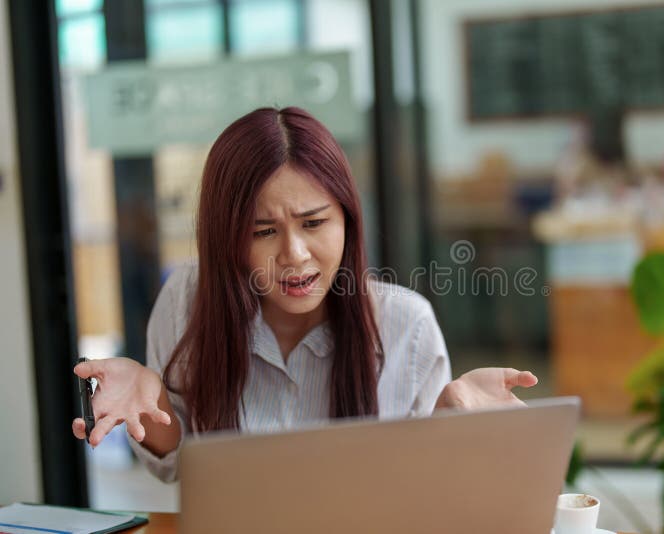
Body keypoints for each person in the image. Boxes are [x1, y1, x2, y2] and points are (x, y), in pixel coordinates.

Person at [72, 107, 538, 482]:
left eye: (314, 223)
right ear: (226, 238)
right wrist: (150, 409)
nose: (294, 255)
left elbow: (428, 495)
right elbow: (175, 466)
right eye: (263, 231)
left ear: (348, 221)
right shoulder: (186, 301)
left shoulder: (406, 325)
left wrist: (449, 426)